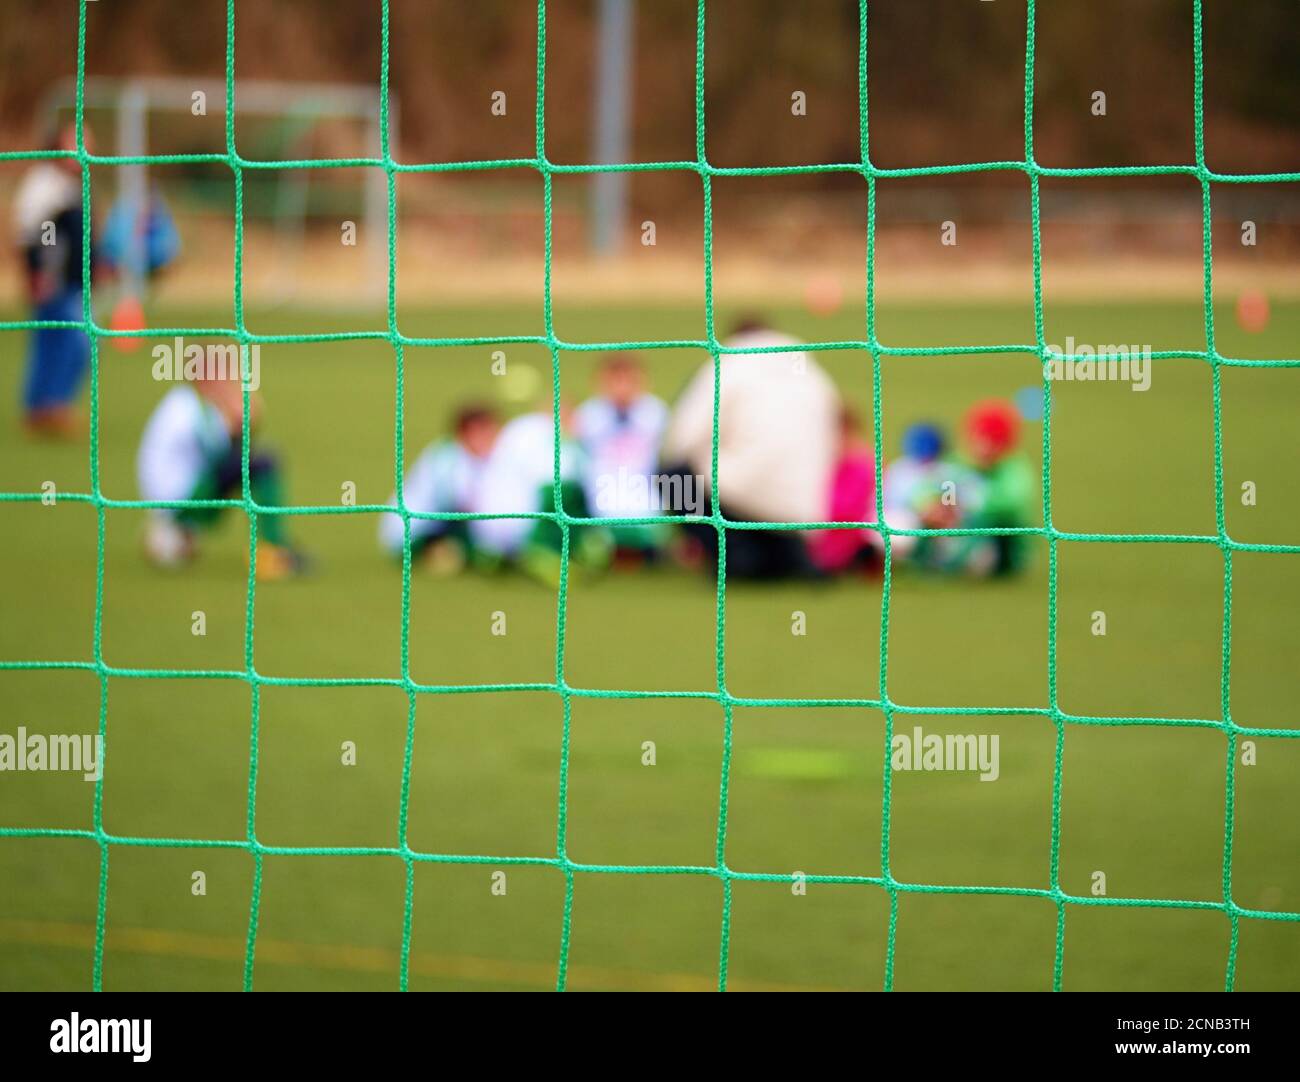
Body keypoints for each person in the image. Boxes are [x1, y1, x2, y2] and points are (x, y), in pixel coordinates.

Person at [660, 317, 839, 580]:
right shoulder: (809, 369)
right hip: (802, 509)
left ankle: (734, 553)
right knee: (766, 506)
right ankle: (786, 557)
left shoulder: (730, 362)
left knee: (673, 479)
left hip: (742, 495)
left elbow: (683, 437)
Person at [136, 375, 305, 580]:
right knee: (264, 463)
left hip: (180, 494)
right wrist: (241, 421)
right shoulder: (184, 406)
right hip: (181, 498)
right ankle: (271, 550)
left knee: (253, 464)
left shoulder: (192, 404)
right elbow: (219, 454)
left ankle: (175, 532)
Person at [11, 122, 98, 437]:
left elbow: (77, 235)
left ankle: (44, 407)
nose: (85, 148)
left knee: (58, 341)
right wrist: (39, 271)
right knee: (71, 341)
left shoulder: (70, 185)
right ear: (58, 146)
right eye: (77, 142)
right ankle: (49, 406)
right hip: (54, 282)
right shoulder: (45, 185)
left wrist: (97, 262)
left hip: (72, 282)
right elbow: (34, 233)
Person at [469, 402, 612, 585]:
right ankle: (541, 549)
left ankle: (502, 553)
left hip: (489, 525)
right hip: (528, 518)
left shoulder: (519, 429)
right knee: (566, 497)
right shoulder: (542, 432)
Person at [377, 404, 500, 573]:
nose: (489, 438)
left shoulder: (474, 458)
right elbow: (455, 503)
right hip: (412, 531)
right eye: (482, 432)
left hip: (438, 523)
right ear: (463, 434)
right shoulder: (447, 458)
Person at [574, 352, 669, 560]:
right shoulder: (590, 414)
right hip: (603, 485)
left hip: (643, 485)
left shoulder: (654, 412)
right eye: (615, 381)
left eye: (628, 380)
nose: (622, 388)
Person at [808, 406, 881, 575]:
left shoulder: (861, 462)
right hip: (820, 531)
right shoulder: (819, 459)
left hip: (850, 534)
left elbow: (850, 509)